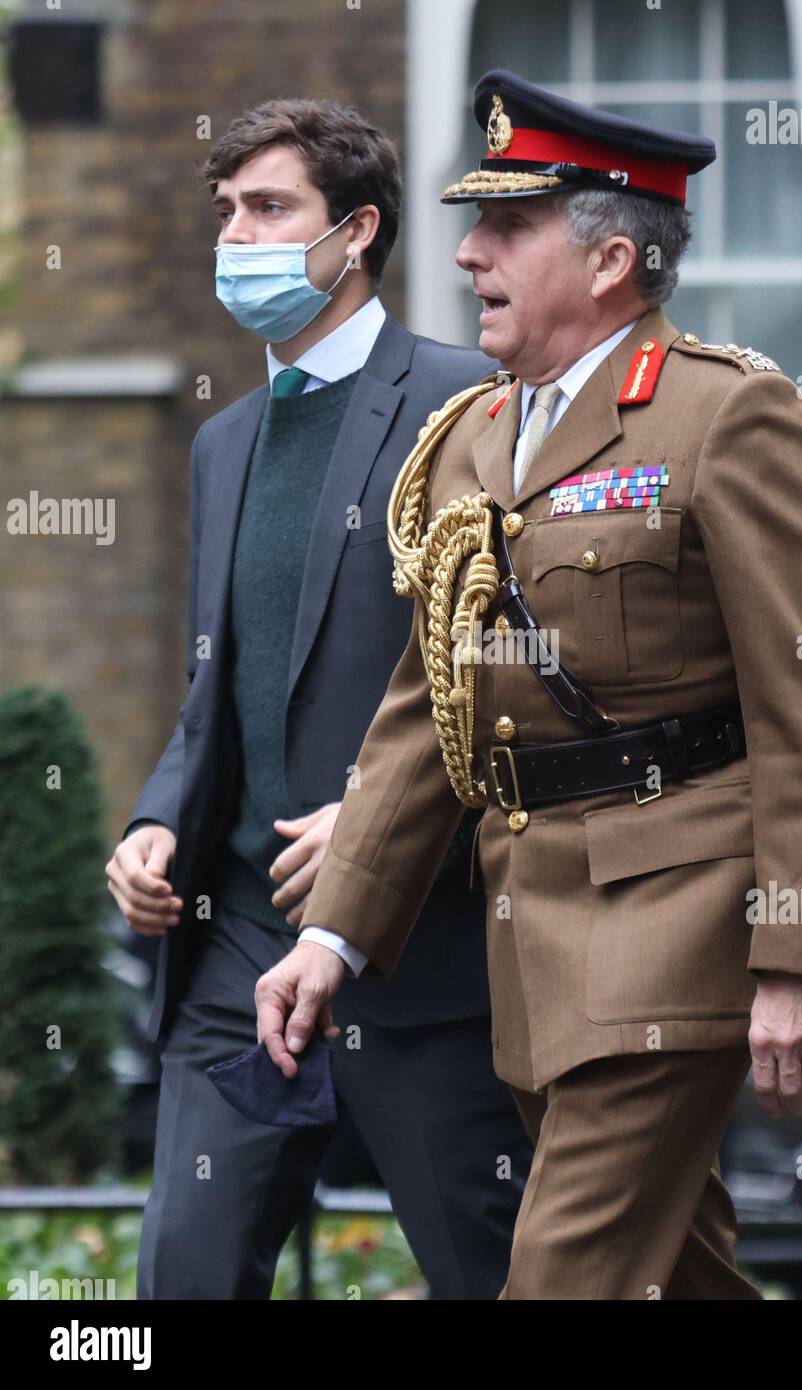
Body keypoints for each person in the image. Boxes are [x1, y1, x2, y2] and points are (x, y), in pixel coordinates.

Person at [254, 70, 802, 1299]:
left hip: (679, 924)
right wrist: (333, 933)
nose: (466, 253)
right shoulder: (474, 441)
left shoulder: (724, 417)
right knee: (682, 1273)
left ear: (609, 262)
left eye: (505, 228)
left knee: (559, 1279)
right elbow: (433, 713)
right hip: (533, 940)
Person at [105, 97, 533, 1300]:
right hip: (236, 942)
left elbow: (507, 670)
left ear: (355, 232)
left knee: (487, 1275)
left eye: (267, 208)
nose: (234, 236)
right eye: (226, 210)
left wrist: (378, 821)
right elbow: (222, 685)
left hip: (420, 954)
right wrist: (153, 820)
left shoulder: (469, 407)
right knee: (181, 1281)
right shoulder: (223, 442)